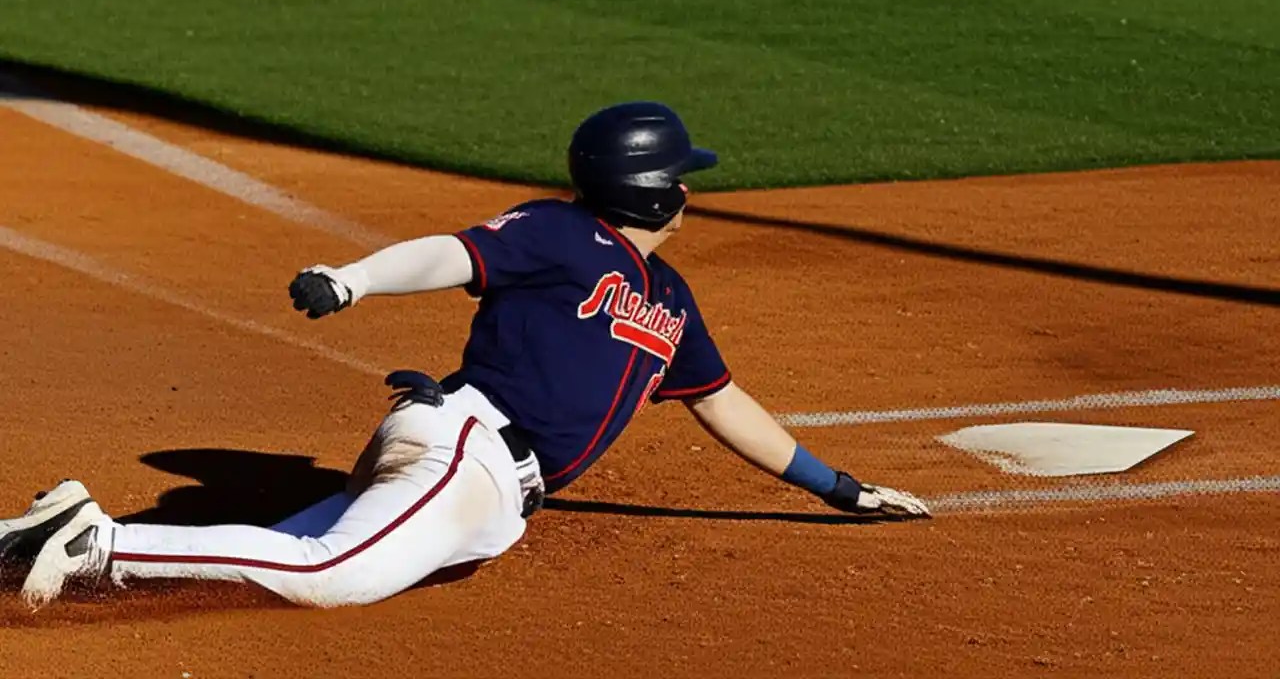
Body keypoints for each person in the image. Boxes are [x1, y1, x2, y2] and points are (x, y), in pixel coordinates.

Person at [0, 101, 929, 611]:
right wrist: (354, 279)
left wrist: (840, 487)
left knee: (307, 549)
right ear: (647, 191)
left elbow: (724, 403)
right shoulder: (561, 234)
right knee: (336, 575)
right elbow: (455, 254)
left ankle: (54, 545)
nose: (691, 188)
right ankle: (99, 537)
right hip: (466, 444)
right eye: (680, 175)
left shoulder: (673, 301)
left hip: (490, 490)